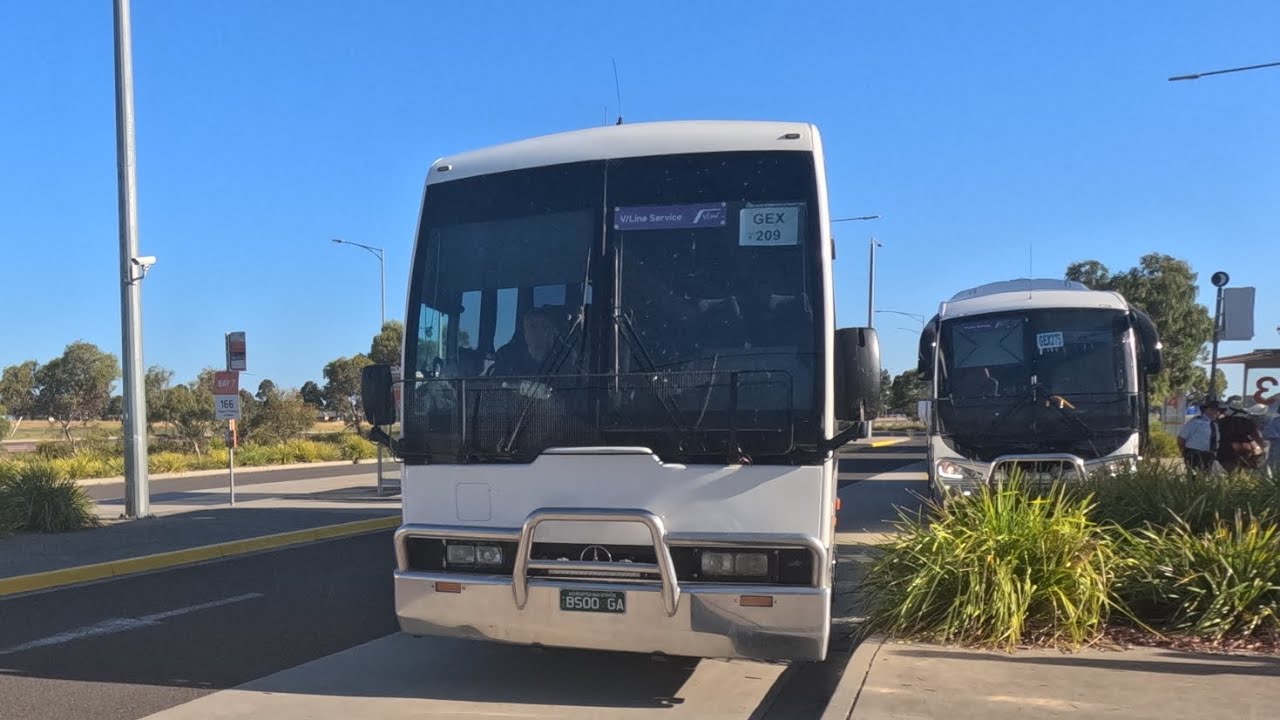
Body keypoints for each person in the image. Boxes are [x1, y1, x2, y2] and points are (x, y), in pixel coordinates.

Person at [489, 306, 571, 377]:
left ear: (553, 333)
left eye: (546, 327)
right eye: (533, 327)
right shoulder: (506, 358)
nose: (539, 333)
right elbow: (494, 388)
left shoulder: (564, 359)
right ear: (524, 332)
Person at [1177, 401, 1220, 472]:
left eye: (1217, 410)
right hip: (1194, 454)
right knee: (1193, 478)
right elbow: (1181, 438)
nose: (1214, 412)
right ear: (1205, 410)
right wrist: (1184, 453)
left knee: (1206, 478)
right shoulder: (1195, 421)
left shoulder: (1216, 425)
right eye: (1211, 409)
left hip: (1210, 455)